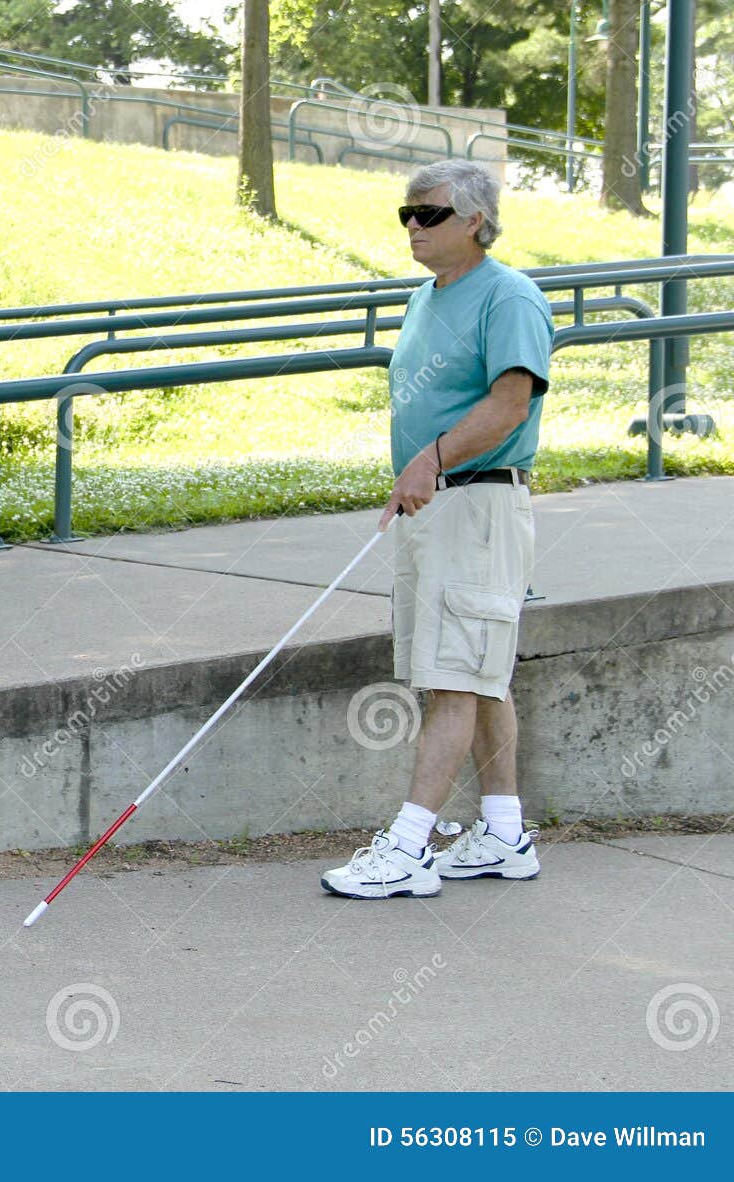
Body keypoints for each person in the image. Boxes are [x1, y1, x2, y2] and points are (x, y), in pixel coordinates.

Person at [321, 159, 554, 900]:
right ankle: (504, 832)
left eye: (429, 214)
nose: (413, 227)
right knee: (476, 672)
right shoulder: (427, 297)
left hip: (477, 503)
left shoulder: (510, 296)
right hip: (435, 507)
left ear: (475, 220)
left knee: (455, 674)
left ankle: (411, 846)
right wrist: (423, 469)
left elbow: (510, 405)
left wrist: (432, 458)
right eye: (406, 215)